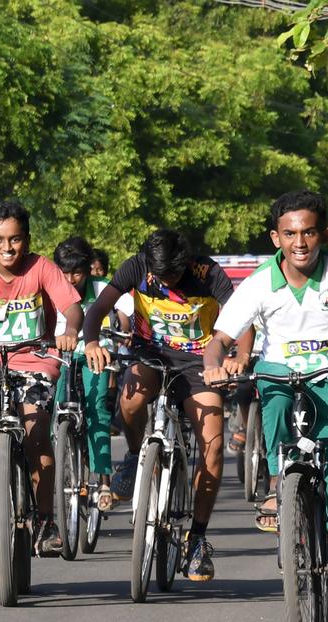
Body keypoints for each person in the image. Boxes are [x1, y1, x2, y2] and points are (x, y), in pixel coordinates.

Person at [203, 190, 328, 622]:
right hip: (278, 377)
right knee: (274, 416)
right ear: (276, 238)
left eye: (308, 231)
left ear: (324, 234)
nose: (300, 241)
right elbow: (220, 336)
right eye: (289, 233)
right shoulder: (258, 283)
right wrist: (216, 362)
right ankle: (279, 489)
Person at [83, 228, 246, 582]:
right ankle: (132, 455)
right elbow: (98, 307)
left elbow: (241, 318)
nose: (164, 281)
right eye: (159, 276)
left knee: (214, 445)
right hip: (150, 353)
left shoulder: (208, 273)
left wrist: (239, 358)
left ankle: (198, 539)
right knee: (129, 400)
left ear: (186, 262)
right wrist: (91, 341)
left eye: (172, 275)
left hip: (200, 362)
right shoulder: (137, 267)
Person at [0, 200, 83, 556]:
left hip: (36, 358)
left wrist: (69, 330)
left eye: (15, 239)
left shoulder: (43, 268)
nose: (7, 248)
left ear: (27, 239)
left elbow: (72, 307)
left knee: (37, 433)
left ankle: (45, 520)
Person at [51, 236, 133, 511]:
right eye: (65, 273)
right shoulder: (50, 289)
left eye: (77, 272)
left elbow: (130, 311)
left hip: (96, 356)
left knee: (97, 409)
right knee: (53, 406)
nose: (71, 279)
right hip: (60, 358)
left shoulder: (103, 289)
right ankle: (59, 461)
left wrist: (128, 331)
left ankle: (104, 481)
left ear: (88, 270)